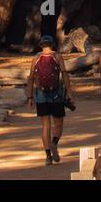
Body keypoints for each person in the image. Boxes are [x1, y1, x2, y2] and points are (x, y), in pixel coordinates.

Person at [26, 34, 73, 164]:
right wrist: (69, 93)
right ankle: (54, 143)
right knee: (58, 123)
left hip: (41, 95)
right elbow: (64, 75)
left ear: (41, 45)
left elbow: (30, 78)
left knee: (45, 126)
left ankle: (48, 156)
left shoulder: (36, 58)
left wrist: (30, 96)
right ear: (52, 44)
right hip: (56, 94)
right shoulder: (57, 57)